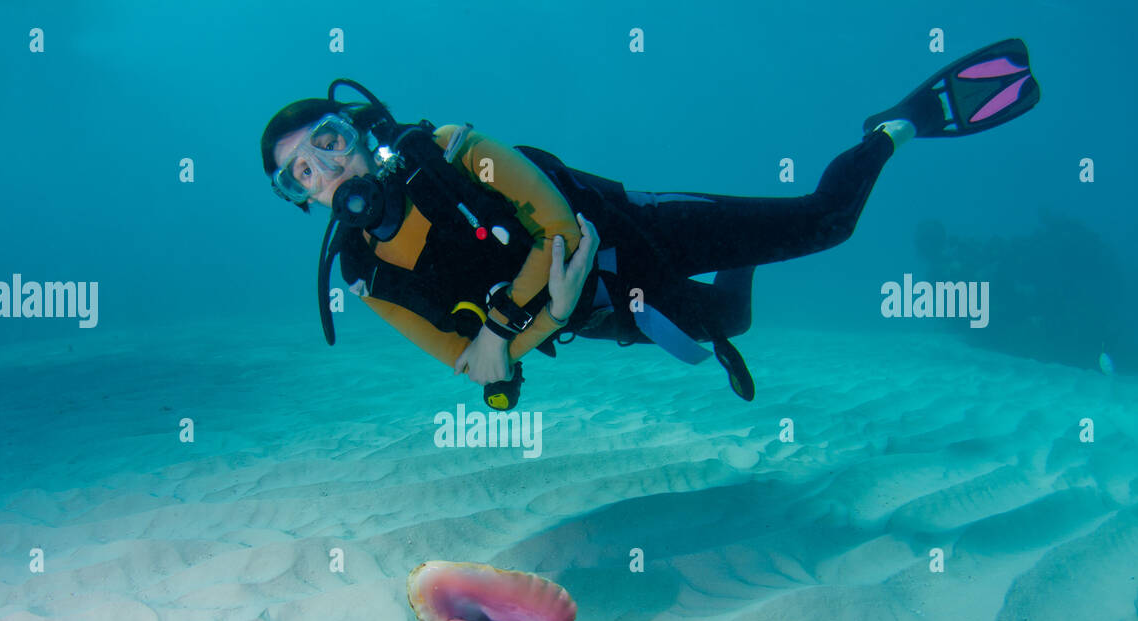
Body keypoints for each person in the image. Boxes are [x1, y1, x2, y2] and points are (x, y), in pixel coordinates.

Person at [261, 39, 1038, 405]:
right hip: (597, 310)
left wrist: (507, 328)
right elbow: (465, 363)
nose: (325, 171)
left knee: (827, 222)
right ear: (303, 200)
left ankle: (892, 129)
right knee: (728, 317)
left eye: (327, 143)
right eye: (303, 173)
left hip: (636, 231)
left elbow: (559, 228)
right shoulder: (364, 272)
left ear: (358, 130)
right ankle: (743, 261)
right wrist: (539, 320)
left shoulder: (454, 151)